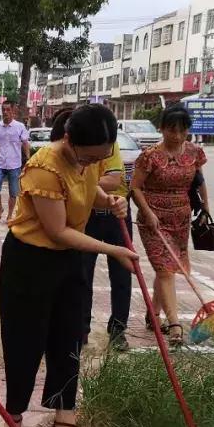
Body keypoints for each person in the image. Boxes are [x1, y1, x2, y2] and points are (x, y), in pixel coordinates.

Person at [0, 104, 137, 427]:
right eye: (88, 157)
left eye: (100, 160)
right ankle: (12, 418)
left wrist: (113, 201)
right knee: (25, 341)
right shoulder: (44, 167)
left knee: (69, 339)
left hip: (68, 262)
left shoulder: (84, 162)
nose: (92, 165)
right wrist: (113, 249)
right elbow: (59, 232)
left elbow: (91, 190)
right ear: (70, 139)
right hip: (30, 262)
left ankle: (65, 422)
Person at [130, 105, 209, 348]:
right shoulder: (150, 156)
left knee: (168, 268)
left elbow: (199, 181)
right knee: (164, 269)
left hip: (181, 218)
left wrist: (205, 209)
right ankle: (174, 324)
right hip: (152, 219)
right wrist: (147, 212)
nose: (177, 136)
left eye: (182, 131)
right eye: (172, 130)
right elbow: (134, 187)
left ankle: (153, 315)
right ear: (162, 128)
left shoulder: (195, 152)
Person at [79, 134, 133, 350]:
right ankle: (81, 329)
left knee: (122, 272)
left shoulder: (109, 147)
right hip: (88, 214)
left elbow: (113, 180)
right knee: (82, 274)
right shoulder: (78, 149)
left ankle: (118, 329)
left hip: (116, 213)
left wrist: (78, 181)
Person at [0, 103, 30, 223]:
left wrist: (28, 158)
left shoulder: (19, 126)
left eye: (8, 110)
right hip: (0, 163)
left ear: (13, 111)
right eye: (3, 109)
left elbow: (25, 143)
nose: (5, 112)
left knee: (13, 192)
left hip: (14, 164)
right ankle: (0, 208)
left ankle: (10, 215)